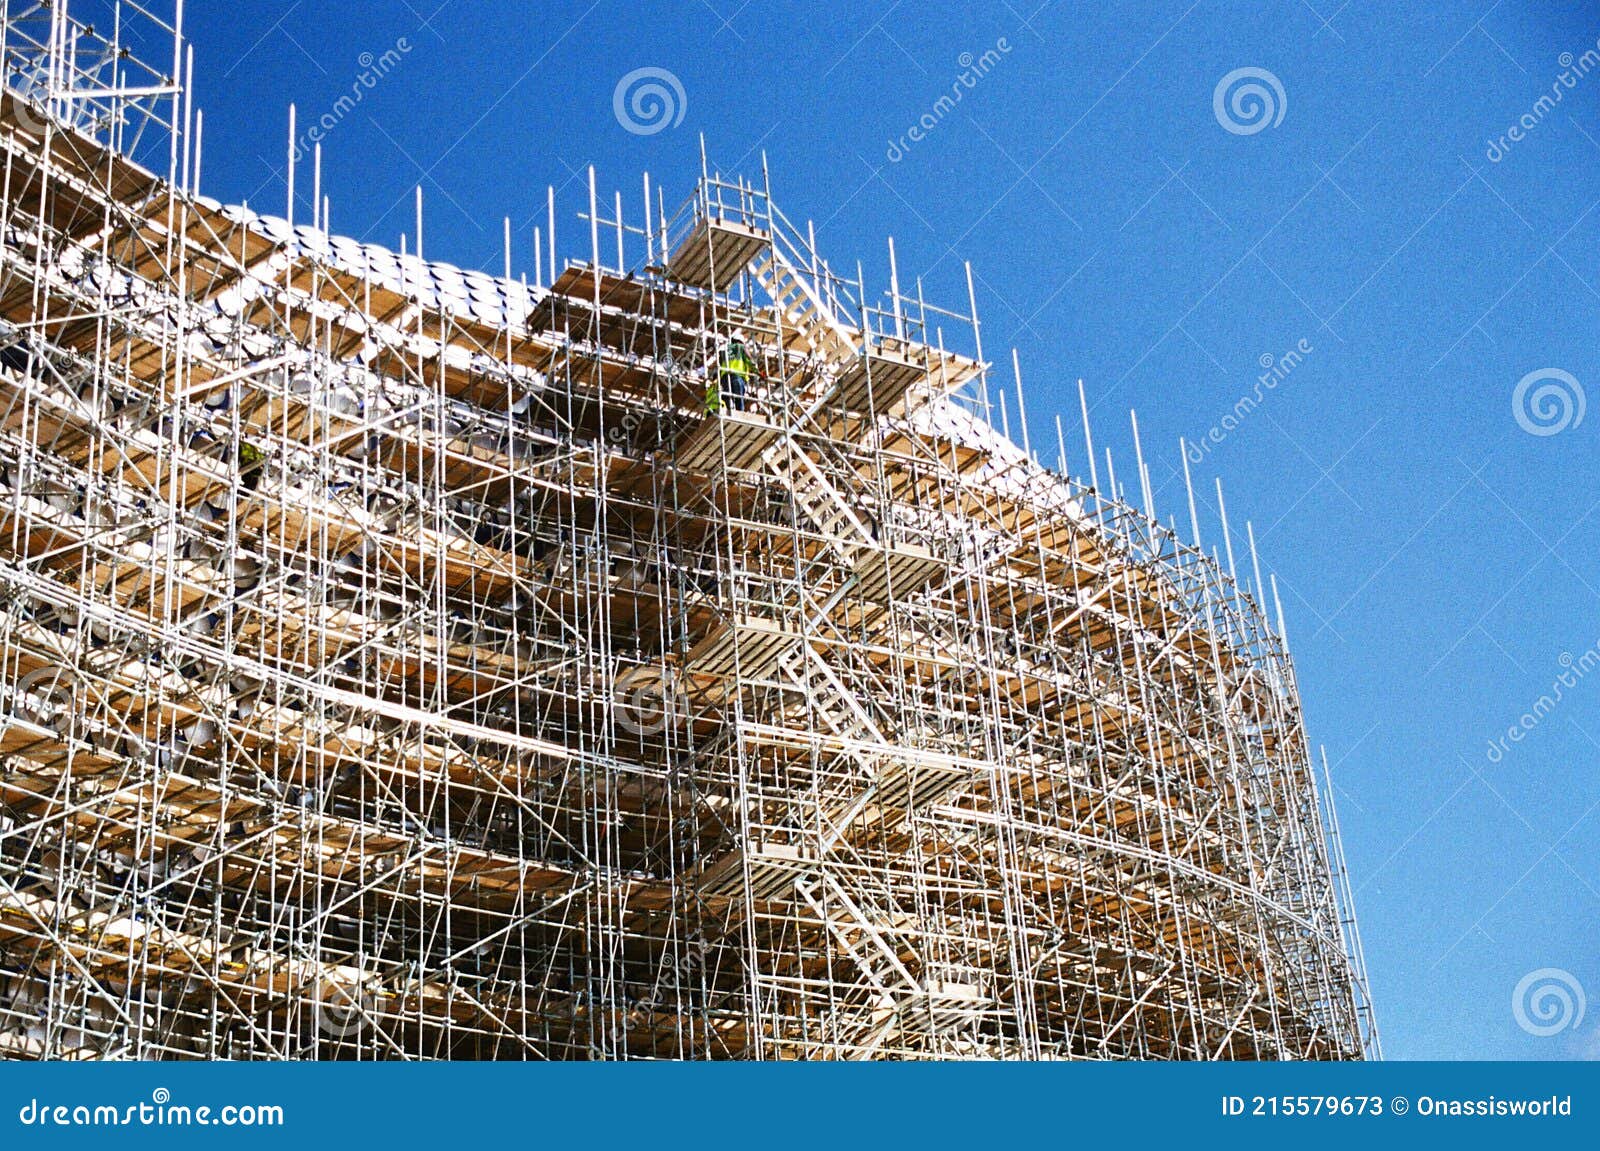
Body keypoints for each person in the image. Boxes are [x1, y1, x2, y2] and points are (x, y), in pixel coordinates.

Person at [711, 330, 756, 414]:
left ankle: (729, 411)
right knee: (739, 397)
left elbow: (719, 366)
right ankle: (740, 413)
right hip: (737, 375)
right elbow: (751, 361)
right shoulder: (741, 347)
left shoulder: (724, 350)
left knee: (728, 396)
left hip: (725, 377)